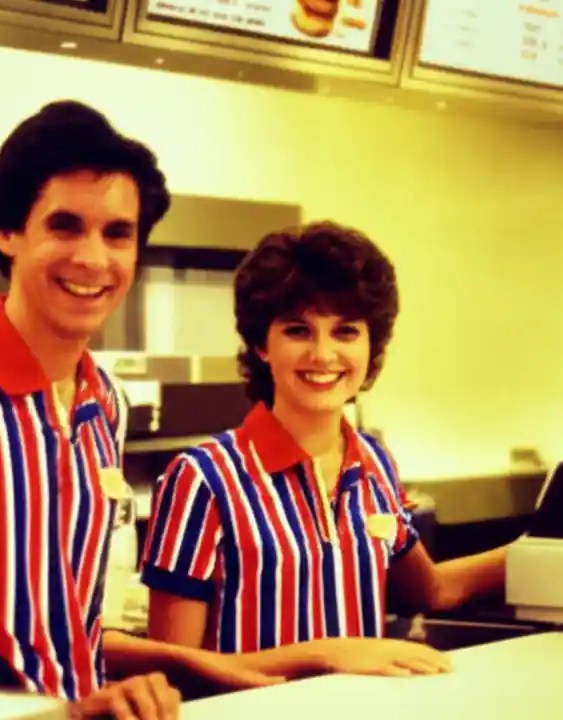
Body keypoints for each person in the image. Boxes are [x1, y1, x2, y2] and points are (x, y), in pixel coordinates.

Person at [0, 100, 279, 719]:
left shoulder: (104, 405)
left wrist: (167, 673)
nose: (94, 259)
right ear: (8, 233)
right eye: (66, 226)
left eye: (118, 233)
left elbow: (68, 632)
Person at [140, 221, 508, 677]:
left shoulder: (374, 464)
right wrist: (325, 654)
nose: (323, 354)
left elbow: (429, 591)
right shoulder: (202, 479)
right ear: (260, 344)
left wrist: (545, 549)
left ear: (372, 345)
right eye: (298, 330)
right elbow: (168, 673)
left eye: (346, 331)